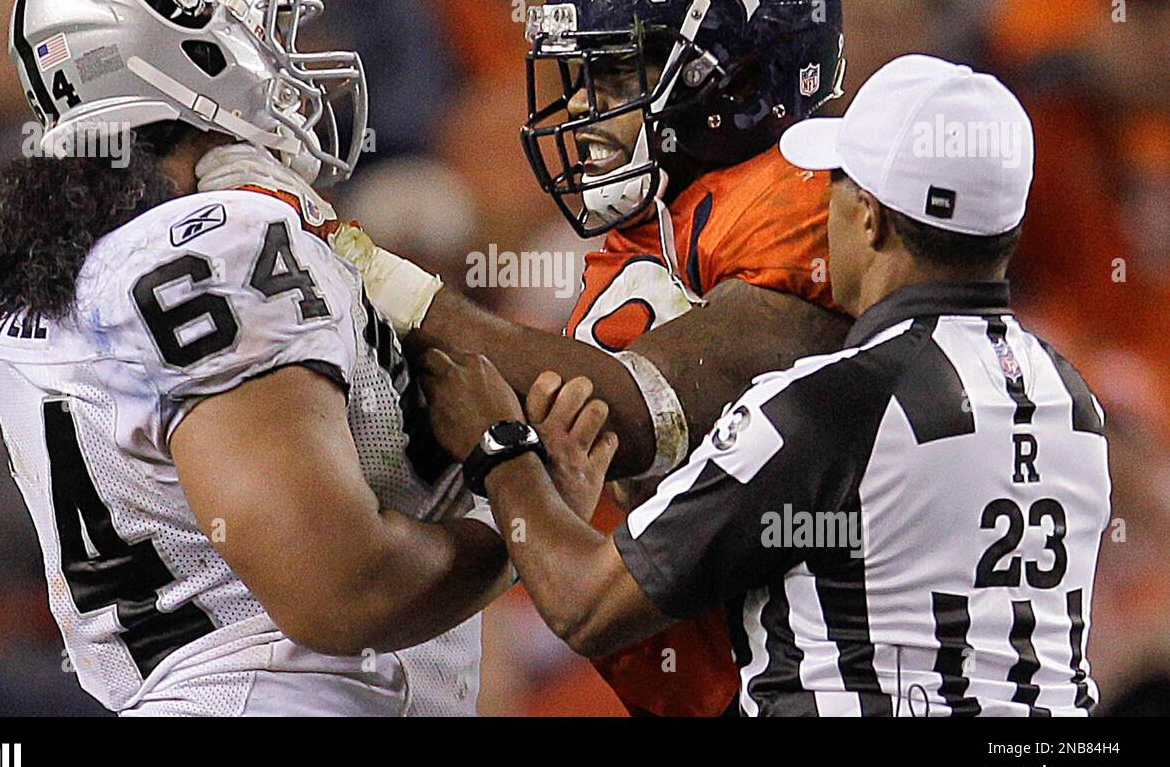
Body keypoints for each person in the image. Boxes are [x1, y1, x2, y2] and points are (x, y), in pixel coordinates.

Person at [202, 0, 851, 716]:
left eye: (612, 79)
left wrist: (373, 274)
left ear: (730, 79)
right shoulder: (654, 237)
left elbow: (639, 410)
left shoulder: (809, 196)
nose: (579, 111)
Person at [423, 54, 1110, 716]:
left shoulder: (830, 407)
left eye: (833, 184)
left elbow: (584, 604)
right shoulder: (1074, 400)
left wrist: (500, 454)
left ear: (867, 216)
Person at [0, 0, 513, 716]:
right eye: (266, 28)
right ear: (186, 47)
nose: (296, 59)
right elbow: (341, 589)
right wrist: (524, 518)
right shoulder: (214, 242)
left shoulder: (80, 264)